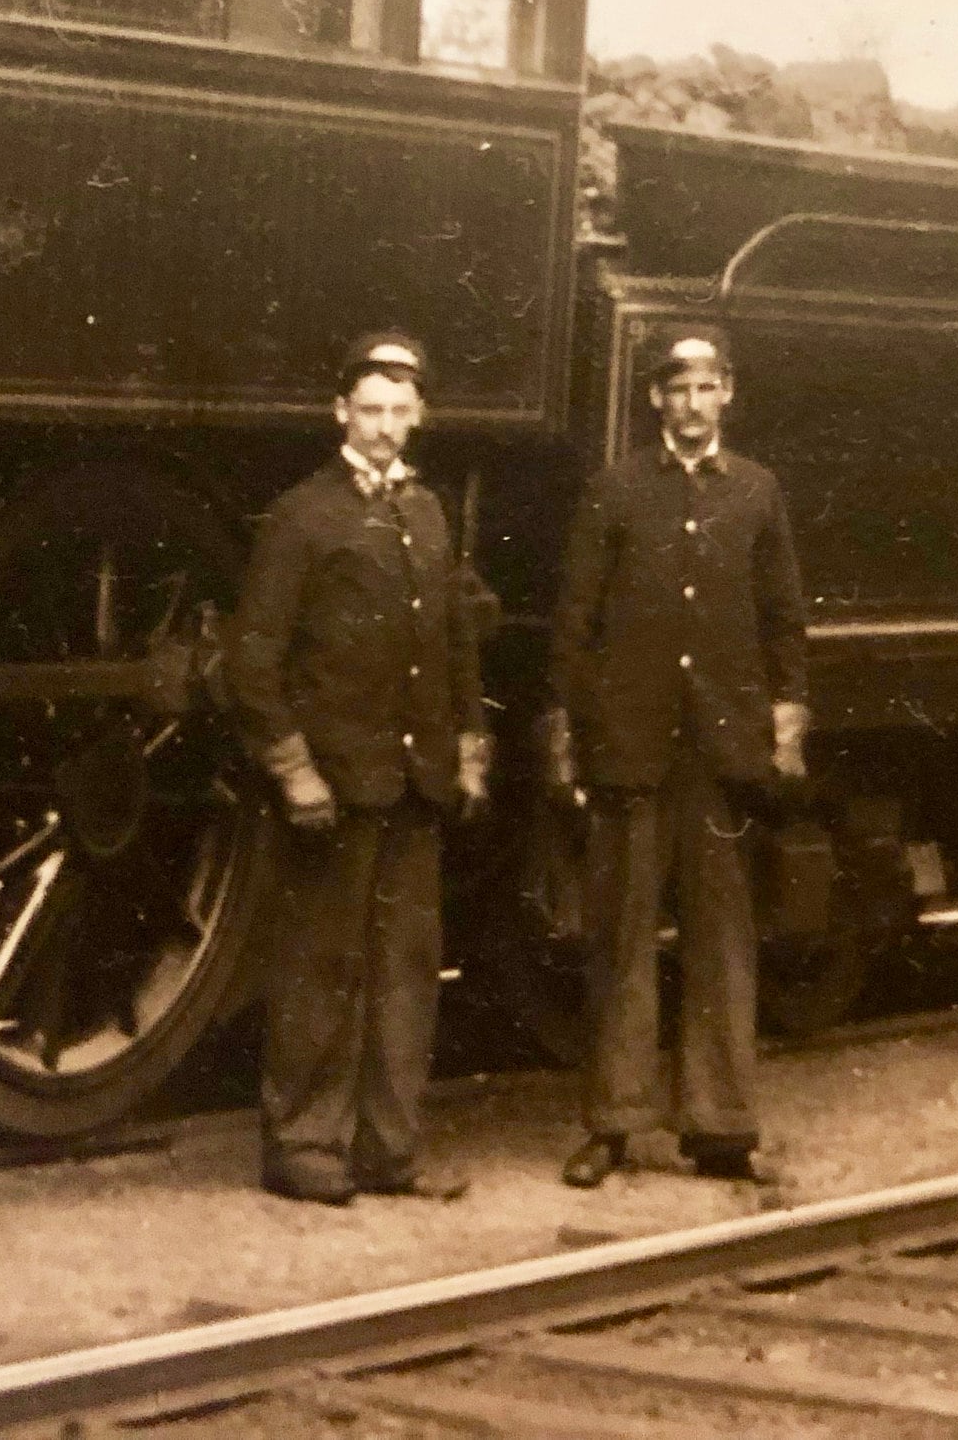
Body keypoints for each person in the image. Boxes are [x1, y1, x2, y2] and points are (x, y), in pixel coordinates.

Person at [228, 330, 498, 1205]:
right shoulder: (302, 516)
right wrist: (294, 770)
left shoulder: (427, 512)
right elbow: (253, 661)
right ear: (340, 411)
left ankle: (390, 1151)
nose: (384, 427)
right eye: (369, 410)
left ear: (419, 416)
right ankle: (305, 1148)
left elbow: (455, 645)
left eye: (399, 411)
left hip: (414, 783)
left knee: (406, 975)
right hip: (336, 789)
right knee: (322, 968)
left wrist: (466, 749)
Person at [547, 328, 809, 1189]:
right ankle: (614, 1126)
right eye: (677, 389)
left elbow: (782, 619)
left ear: (727, 392)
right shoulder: (616, 490)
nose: (692, 405)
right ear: (656, 398)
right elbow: (576, 623)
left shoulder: (757, 491)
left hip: (720, 754)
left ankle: (721, 1126)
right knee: (621, 940)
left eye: (706, 388)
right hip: (632, 750)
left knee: (722, 940)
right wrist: (580, 734)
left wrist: (782, 722)